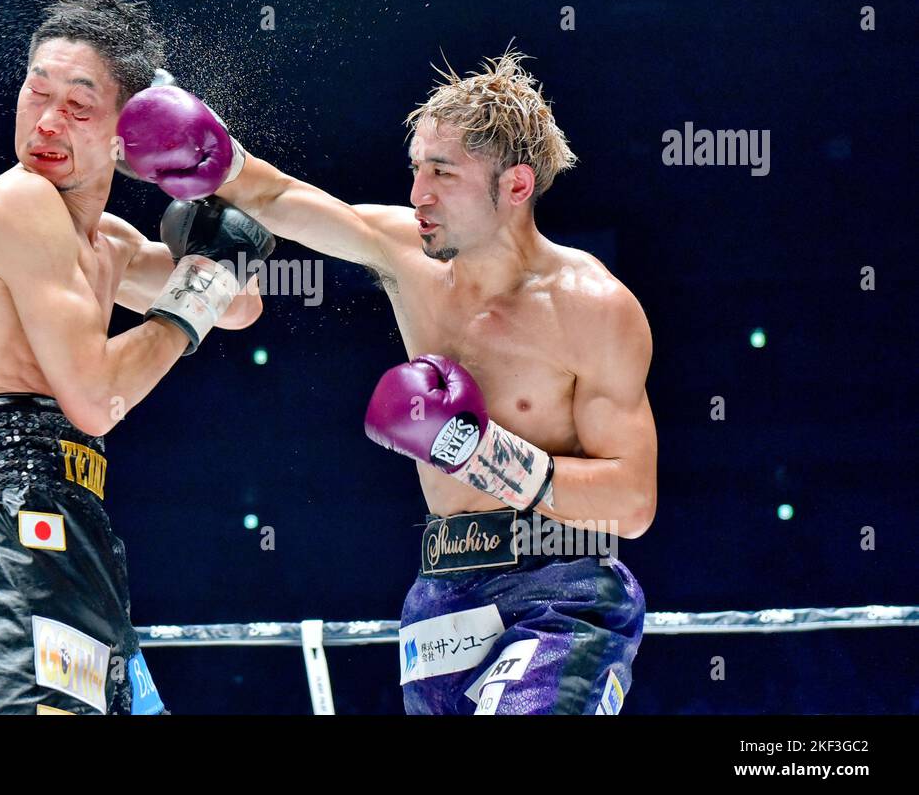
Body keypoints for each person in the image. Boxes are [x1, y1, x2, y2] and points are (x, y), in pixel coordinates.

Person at [117, 49, 655, 715]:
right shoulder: (407, 253)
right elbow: (280, 195)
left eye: (443, 173)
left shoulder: (594, 307)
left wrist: (482, 454)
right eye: (417, 169)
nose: (418, 194)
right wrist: (207, 155)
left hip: (561, 586)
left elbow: (631, 503)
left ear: (516, 186)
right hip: (440, 592)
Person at [0, 0, 272, 715]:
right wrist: (187, 304)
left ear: (123, 132)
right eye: (36, 91)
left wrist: (204, 185)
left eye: (78, 106)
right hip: (1, 526)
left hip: (78, 530)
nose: (47, 119)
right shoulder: (14, 203)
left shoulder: (107, 243)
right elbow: (92, 399)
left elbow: (240, 307)